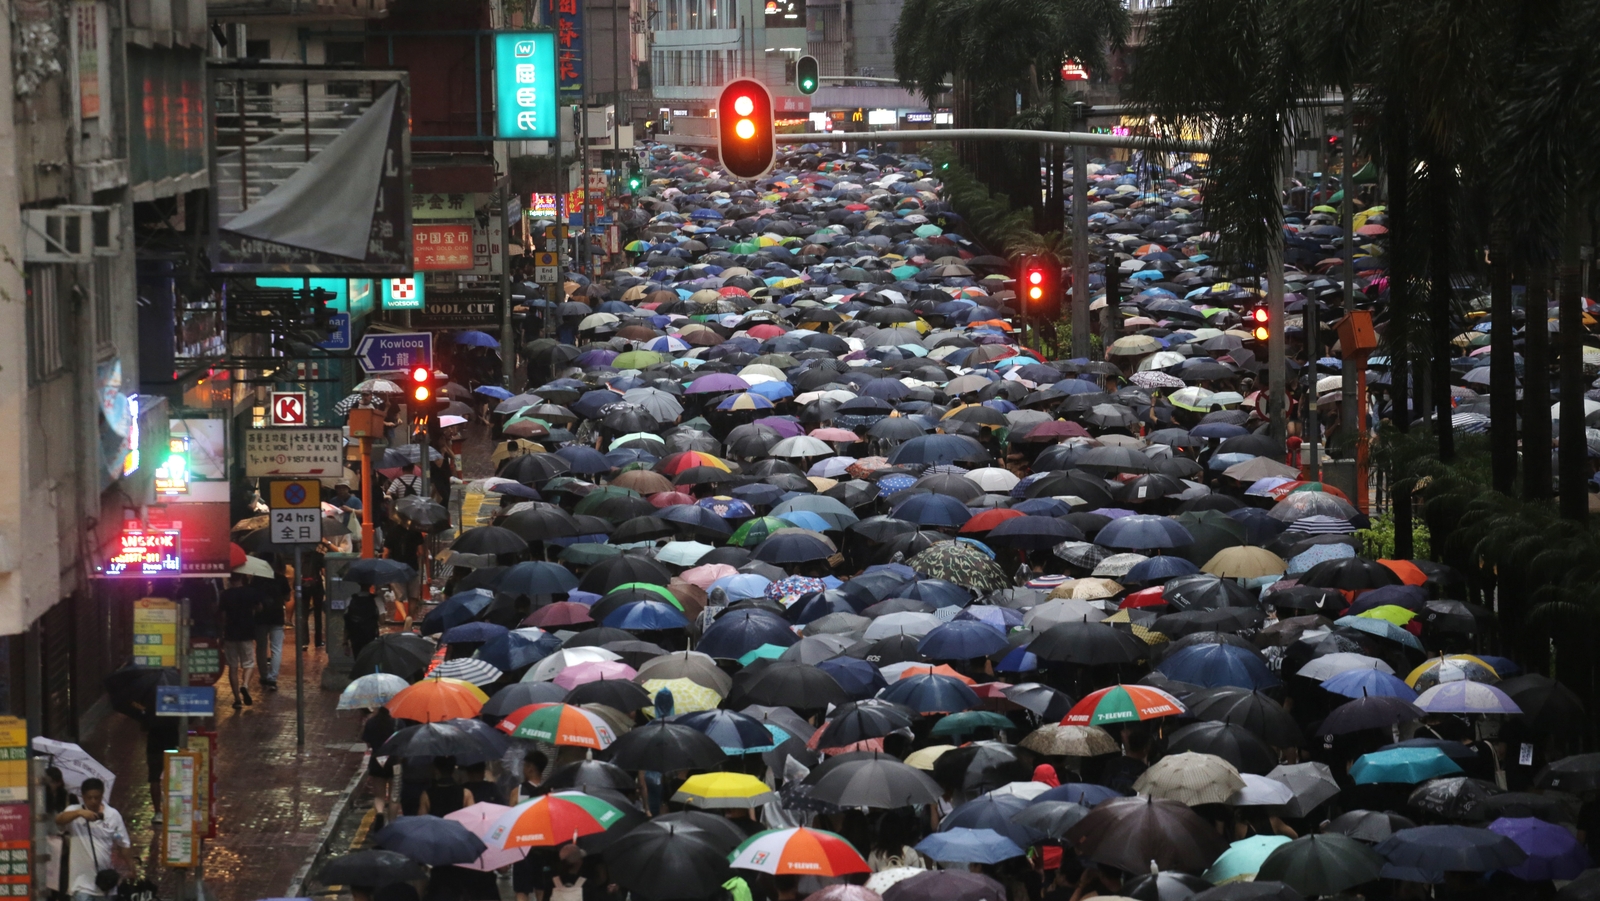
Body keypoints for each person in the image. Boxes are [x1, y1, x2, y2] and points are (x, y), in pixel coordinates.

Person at [55, 778, 131, 901]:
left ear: (102, 795)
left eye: (97, 797)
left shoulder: (113, 815)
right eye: (89, 798)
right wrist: (79, 813)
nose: (93, 801)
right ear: (83, 796)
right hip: (80, 886)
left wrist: (132, 868)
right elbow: (59, 820)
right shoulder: (73, 811)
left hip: (105, 885)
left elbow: (124, 844)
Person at [218, 573, 259, 708]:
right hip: (247, 631)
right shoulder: (251, 592)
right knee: (248, 663)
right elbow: (259, 607)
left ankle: (237, 699)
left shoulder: (225, 595)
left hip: (230, 633)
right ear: (242, 578)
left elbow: (222, 616)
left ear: (230, 579)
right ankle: (245, 685)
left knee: (233, 667)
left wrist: (222, 634)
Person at [255, 570, 288, 691]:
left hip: (260, 618)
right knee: (277, 649)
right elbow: (288, 597)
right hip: (277, 616)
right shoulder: (281, 578)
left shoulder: (257, 579)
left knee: (261, 648)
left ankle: (264, 676)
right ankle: (273, 678)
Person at [345, 585, 382, 660]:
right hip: (371, 636)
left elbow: (347, 623)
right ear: (371, 584)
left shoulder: (350, 599)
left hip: (355, 637)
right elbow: (382, 620)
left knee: (358, 659)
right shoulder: (376, 599)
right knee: (370, 660)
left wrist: (345, 642)